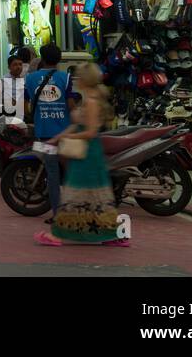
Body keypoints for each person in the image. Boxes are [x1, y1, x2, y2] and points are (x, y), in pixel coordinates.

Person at [36, 64, 125, 247]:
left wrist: (67, 137)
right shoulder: (87, 99)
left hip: (88, 153)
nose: (75, 80)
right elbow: (76, 125)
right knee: (92, 196)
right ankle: (112, 234)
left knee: (74, 194)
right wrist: (56, 138)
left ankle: (58, 235)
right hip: (85, 153)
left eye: (78, 77)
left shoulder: (91, 102)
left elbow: (91, 132)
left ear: (85, 80)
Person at [24, 44, 70, 221]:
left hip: (45, 135)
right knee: (69, 171)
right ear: (58, 60)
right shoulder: (65, 78)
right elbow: (72, 105)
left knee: (52, 172)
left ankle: (58, 214)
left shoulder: (31, 78)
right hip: (66, 134)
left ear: (42, 58)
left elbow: (27, 106)